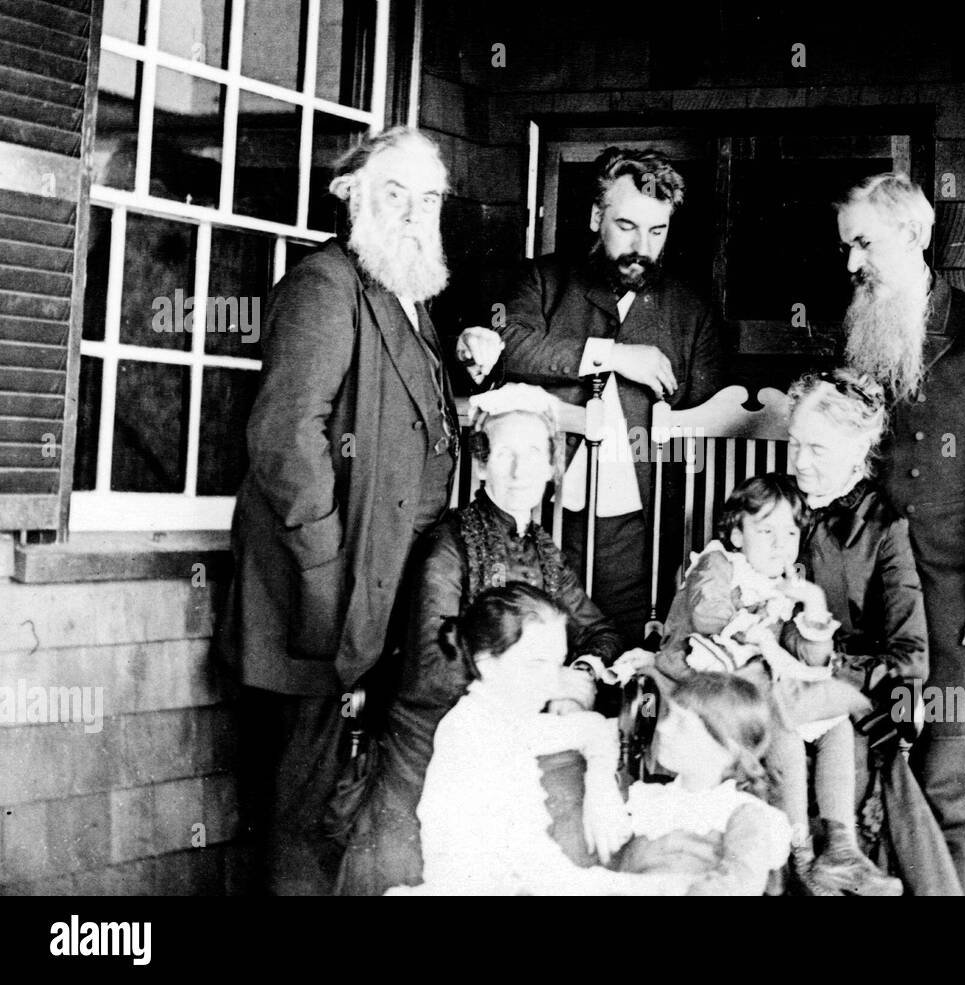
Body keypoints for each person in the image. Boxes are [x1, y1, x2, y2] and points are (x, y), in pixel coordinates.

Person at [214, 126, 500, 895]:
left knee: (350, 809)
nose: (413, 213)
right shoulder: (324, 284)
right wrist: (327, 564)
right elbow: (284, 436)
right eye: (394, 193)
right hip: (321, 598)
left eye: (428, 198)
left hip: (379, 595)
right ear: (353, 197)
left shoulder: (404, 293)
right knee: (307, 812)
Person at [333, 383, 633, 895]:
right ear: (481, 464)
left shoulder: (543, 551)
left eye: (534, 454)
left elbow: (601, 630)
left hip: (520, 720)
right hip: (438, 729)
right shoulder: (448, 546)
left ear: (551, 467)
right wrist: (543, 686)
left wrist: (577, 675)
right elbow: (430, 669)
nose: (520, 471)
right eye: (505, 454)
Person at [834, 172, 965, 894]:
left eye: (864, 242)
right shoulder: (861, 330)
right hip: (885, 611)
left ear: (914, 235)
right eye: (847, 246)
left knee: (949, 806)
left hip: (960, 612)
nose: (852, 262)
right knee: (880, 800)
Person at [472, 146, 722, 647]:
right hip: (541, 505)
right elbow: (510, 345)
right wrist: (613, 355)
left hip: (638, 526)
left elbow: (704, 420)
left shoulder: (691, 310)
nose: (641, 247)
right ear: (595, 216)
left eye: (657, 231)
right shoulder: (543, 279)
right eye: (627, 225)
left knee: (623, 644)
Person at [651, 473, 900, 895]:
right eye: (765, 531)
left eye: (789, 532)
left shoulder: (784, 583)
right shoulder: (719, 563)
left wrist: (811, 602)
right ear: (735, 533)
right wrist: (755, 626)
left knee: (835, 723)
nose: (779, 543)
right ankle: (799, 853)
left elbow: (809, 658)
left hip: (755, 682)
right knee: (783, 725)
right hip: (704, 677)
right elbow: (707, 616)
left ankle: (841, 847)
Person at [389, 583, 691, 896]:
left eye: (557, 662)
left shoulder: (504, 717)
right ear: (486, 663)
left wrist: (601, 790)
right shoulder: (472, 734)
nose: (553, 680)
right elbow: (539, 874)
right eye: (536, 663)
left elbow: (594, 728)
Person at [613, 673, 792, 896]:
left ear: (728, 749)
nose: (663, 728)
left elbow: (738, 885)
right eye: (668, 715)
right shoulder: (646, 800)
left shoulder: (742, 814)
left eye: (682, 724)